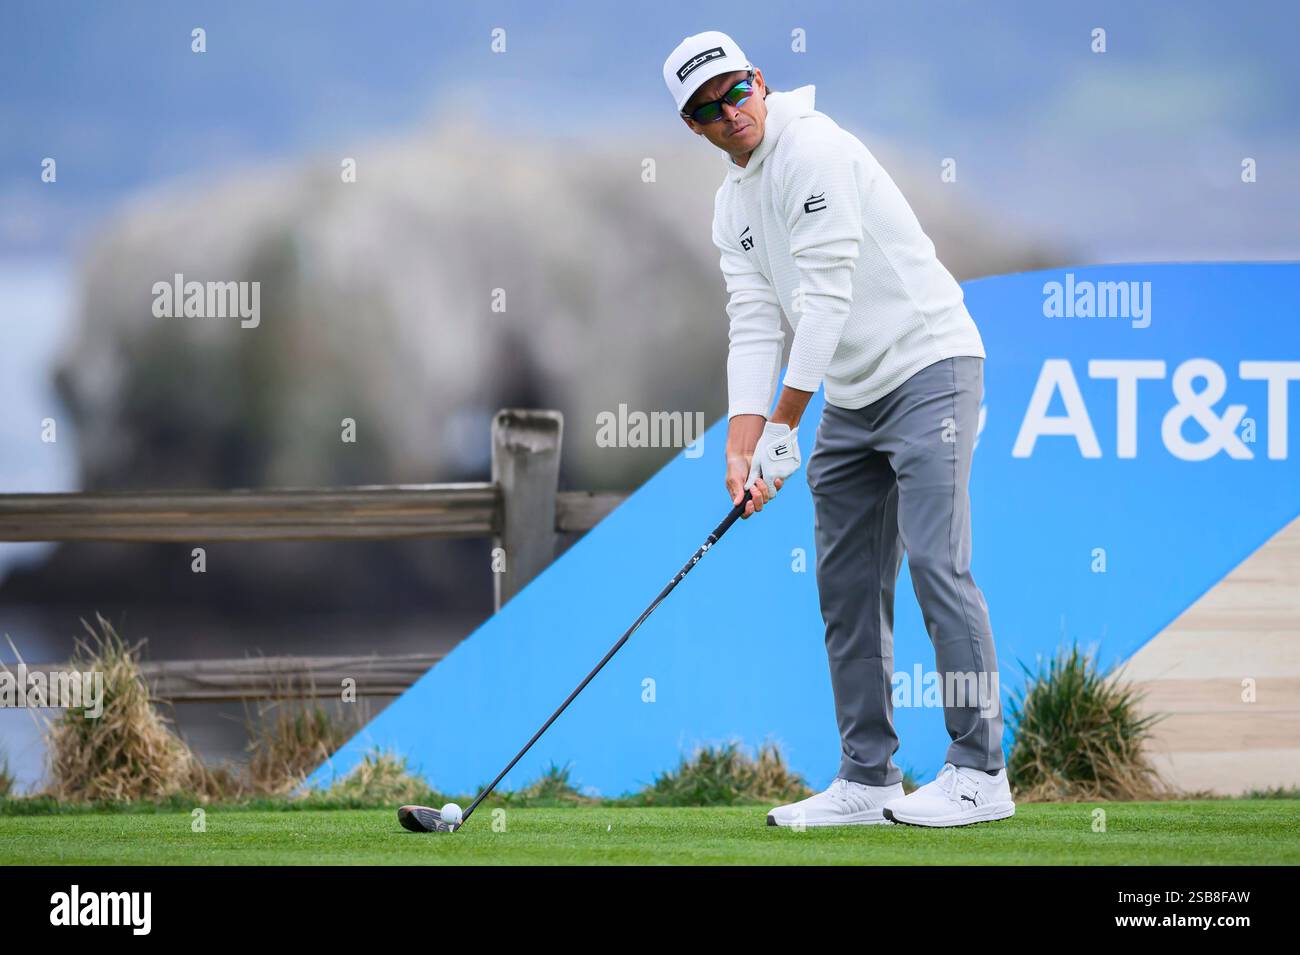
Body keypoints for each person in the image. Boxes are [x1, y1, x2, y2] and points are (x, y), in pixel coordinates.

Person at [662, 31, 1015, 827]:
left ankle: (979, 771)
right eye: (707, 108)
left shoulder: (813, 149)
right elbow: (754, 322)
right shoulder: (731, 204)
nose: (730, 112)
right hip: (853, 394)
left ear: (760, 79)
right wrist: (742, 443)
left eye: (735, 91)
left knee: (937, 565)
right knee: (845, 587)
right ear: (694, 127)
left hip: (930, 365)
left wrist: (784, 428)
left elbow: (824, 301)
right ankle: (868, 777)